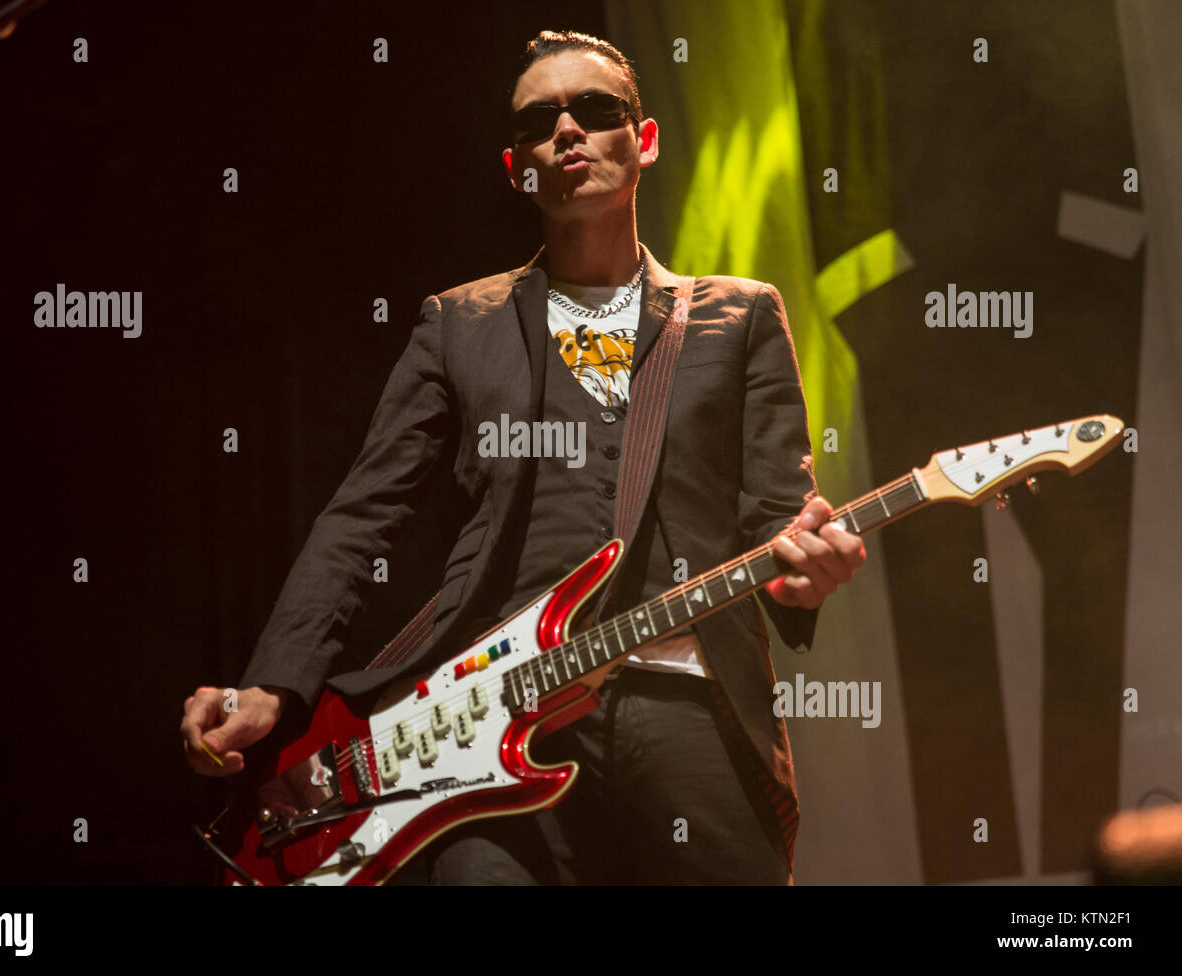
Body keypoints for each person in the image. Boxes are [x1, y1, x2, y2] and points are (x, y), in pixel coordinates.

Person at [180, 29, 865, 884]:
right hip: (484, 722)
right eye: (540, 122)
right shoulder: (461, 323)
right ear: (518, 169)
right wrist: (273, 689)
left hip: (683, 693)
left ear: (644, 141)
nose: (567, 131)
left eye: (595, 109)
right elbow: (360, 520)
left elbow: (778, 526)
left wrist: (807, 571)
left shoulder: (740, 317)